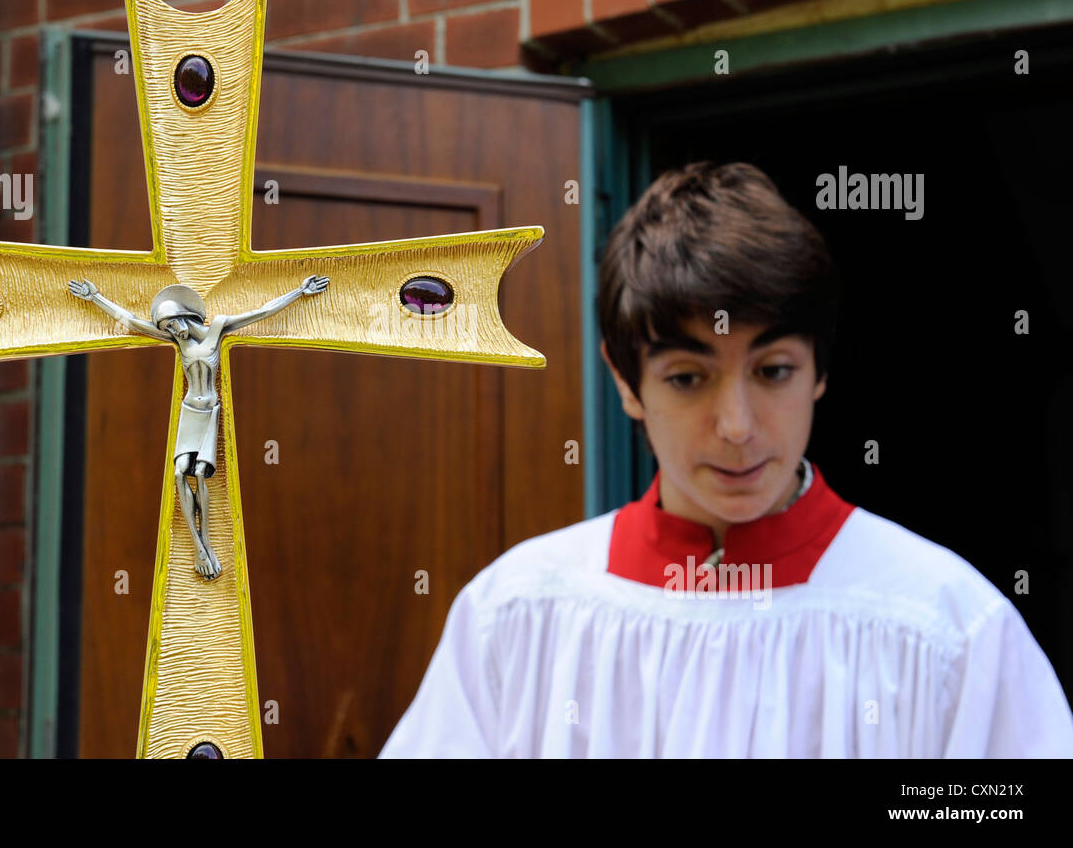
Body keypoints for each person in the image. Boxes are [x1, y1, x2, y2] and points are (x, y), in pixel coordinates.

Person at [378, 161, 1073, 757]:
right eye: (688, 377)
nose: (737, 428)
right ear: (626, 381)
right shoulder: (517, 614)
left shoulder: (947, 627)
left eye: (772, 371)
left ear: (820, 370)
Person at [68, 275, 328, 579]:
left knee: (201, 475)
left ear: (183, 316)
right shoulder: (177, 342)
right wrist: (94, 297)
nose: (172, 332)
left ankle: (206, 541)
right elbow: (131, 320)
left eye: (172, 324)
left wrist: (298, 291)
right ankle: (199, 548)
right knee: (180, 473)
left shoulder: (217, 329)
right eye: (166, 329)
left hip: (209, 412)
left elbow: (262, 312)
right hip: (190, 410)